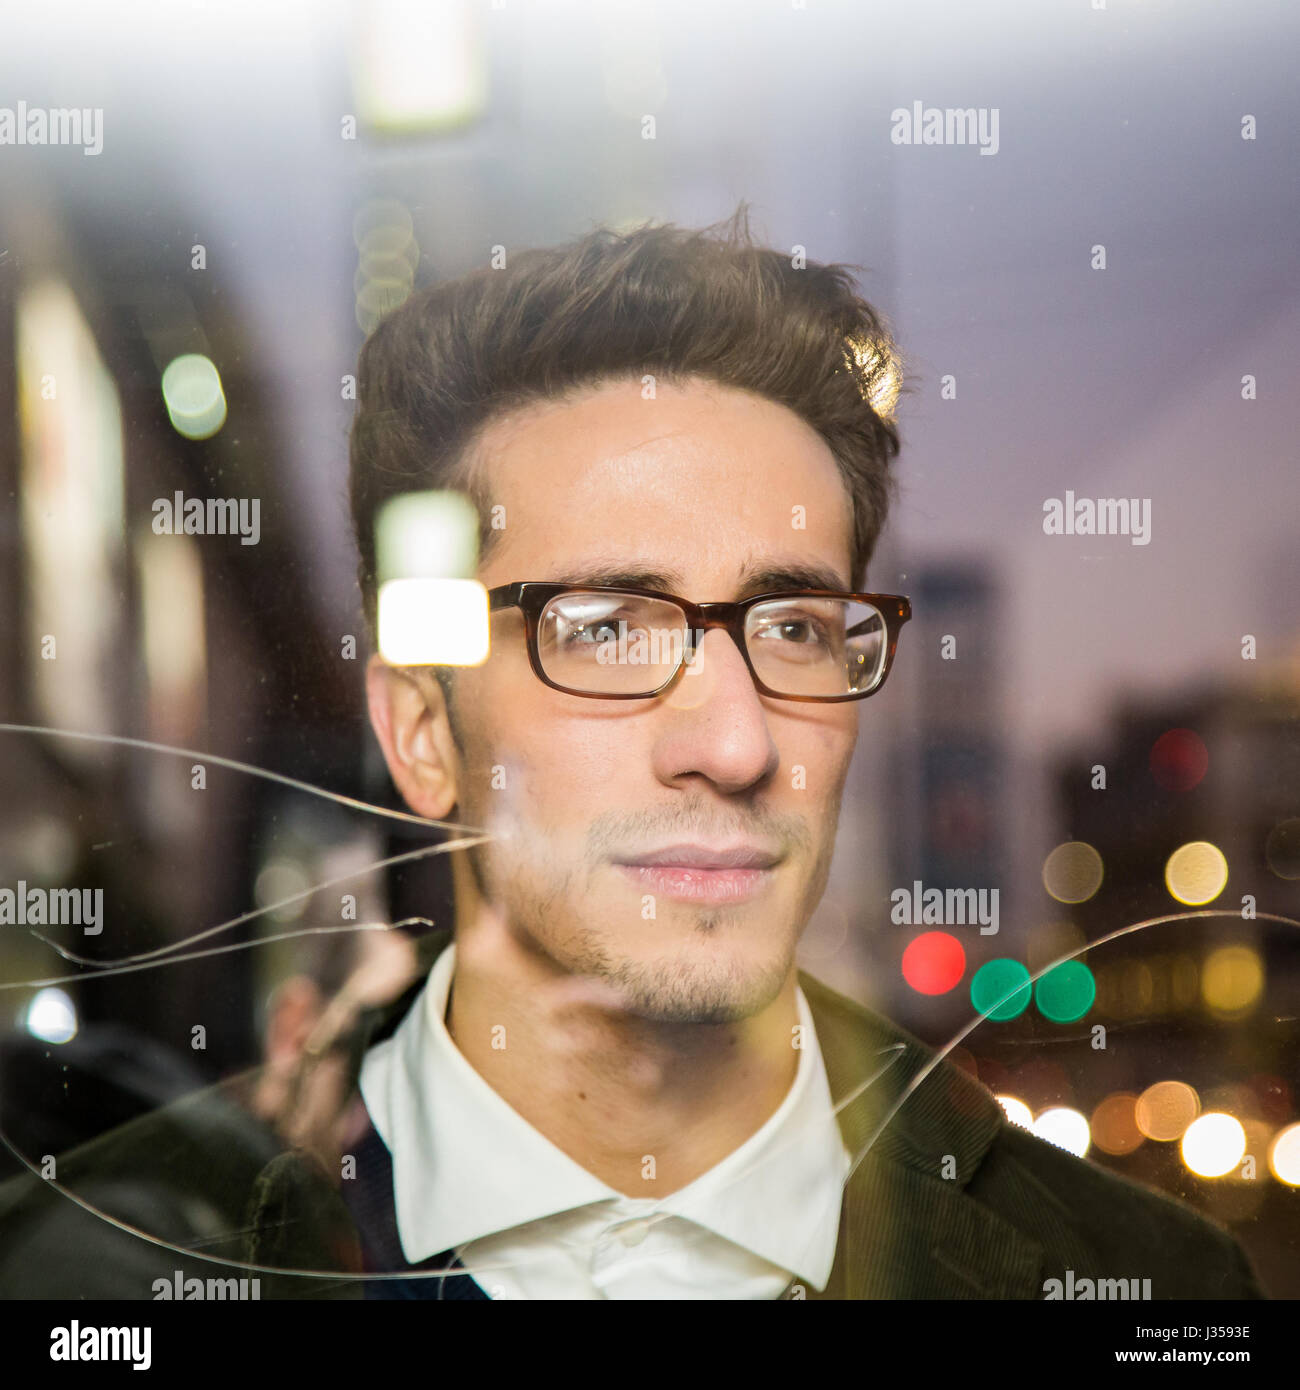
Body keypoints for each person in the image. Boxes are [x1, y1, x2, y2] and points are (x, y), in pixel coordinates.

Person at [0, 207, 1266, 1301]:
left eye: (794, 628)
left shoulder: (1146, 1280)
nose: (736, 741)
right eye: (605, 629)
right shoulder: (100, 1270)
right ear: (425, 735)